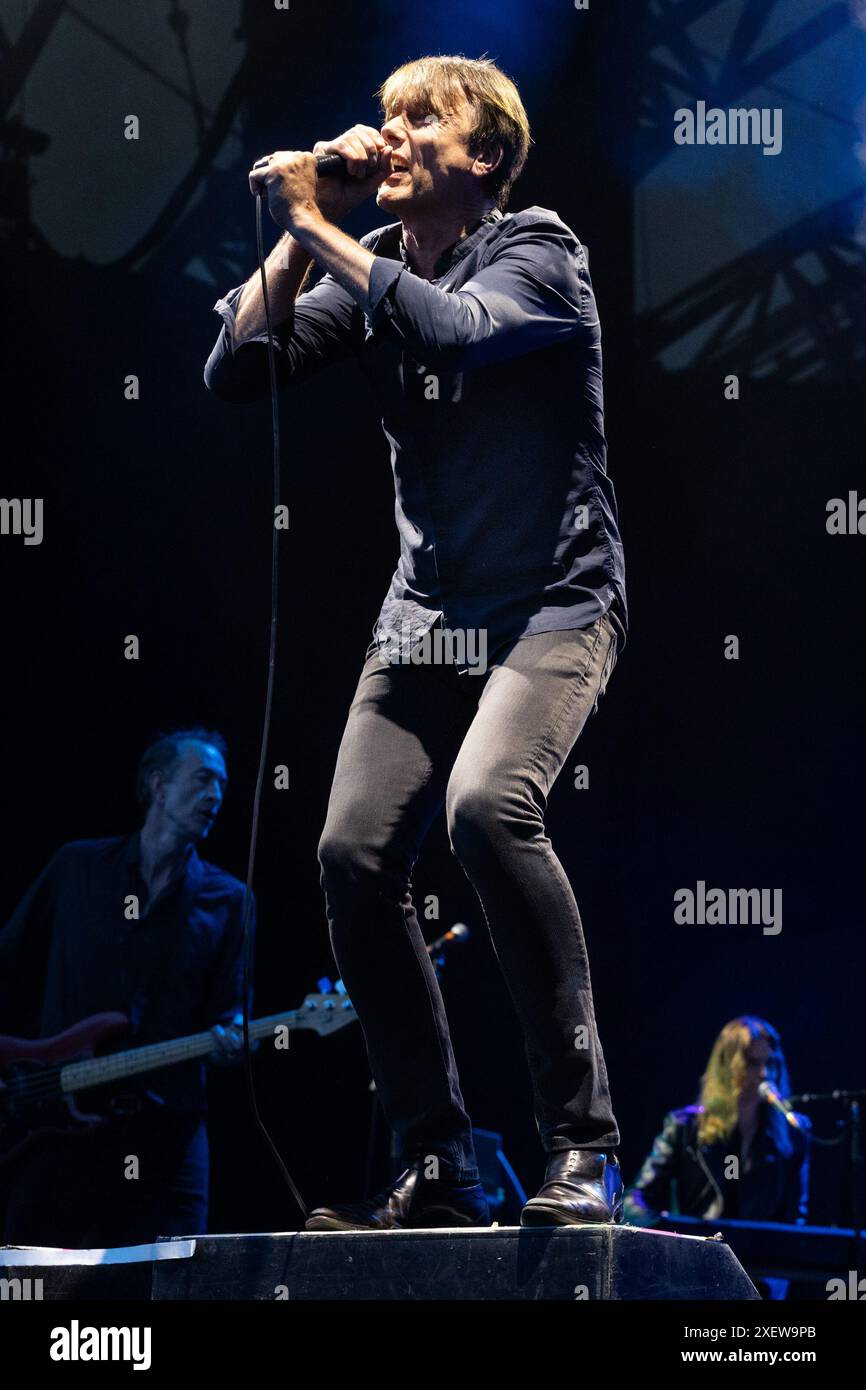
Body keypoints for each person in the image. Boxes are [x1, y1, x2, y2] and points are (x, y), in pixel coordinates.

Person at [205, 54, 627, 1230]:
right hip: (428, 619)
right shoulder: (375, 262)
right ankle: (436, 1153)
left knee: (489, 809)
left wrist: (317, 225)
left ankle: (583, 1148)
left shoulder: (539, 252)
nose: (388, 135)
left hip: (552, 602)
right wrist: (301, 232)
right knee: (348, 855)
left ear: (481, 155)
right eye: (381, 116)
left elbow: (452, 334)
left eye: (417, 120)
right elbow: (235, 368)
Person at [0, 728, 253, 1247]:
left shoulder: (230, 899)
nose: (216, 795)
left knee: (177, 1272)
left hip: (167, 1128)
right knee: (32, 1268)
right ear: (158, 785)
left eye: (222, 786)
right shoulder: (77, 867)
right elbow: (9, 961)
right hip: (53, 1118)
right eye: (203, 780)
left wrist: (231, 1040)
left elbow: (231, 1014)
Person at [623, 1016, 811, 1227]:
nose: (764, 1074)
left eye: (771, 1063)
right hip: (699, 1254)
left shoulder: (794, 1133)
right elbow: (634, 1200)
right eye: (751, 1062)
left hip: (760, 1258)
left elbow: (795, 1221)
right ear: (727, 1066)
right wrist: (668, 1234)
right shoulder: (685, 1126)